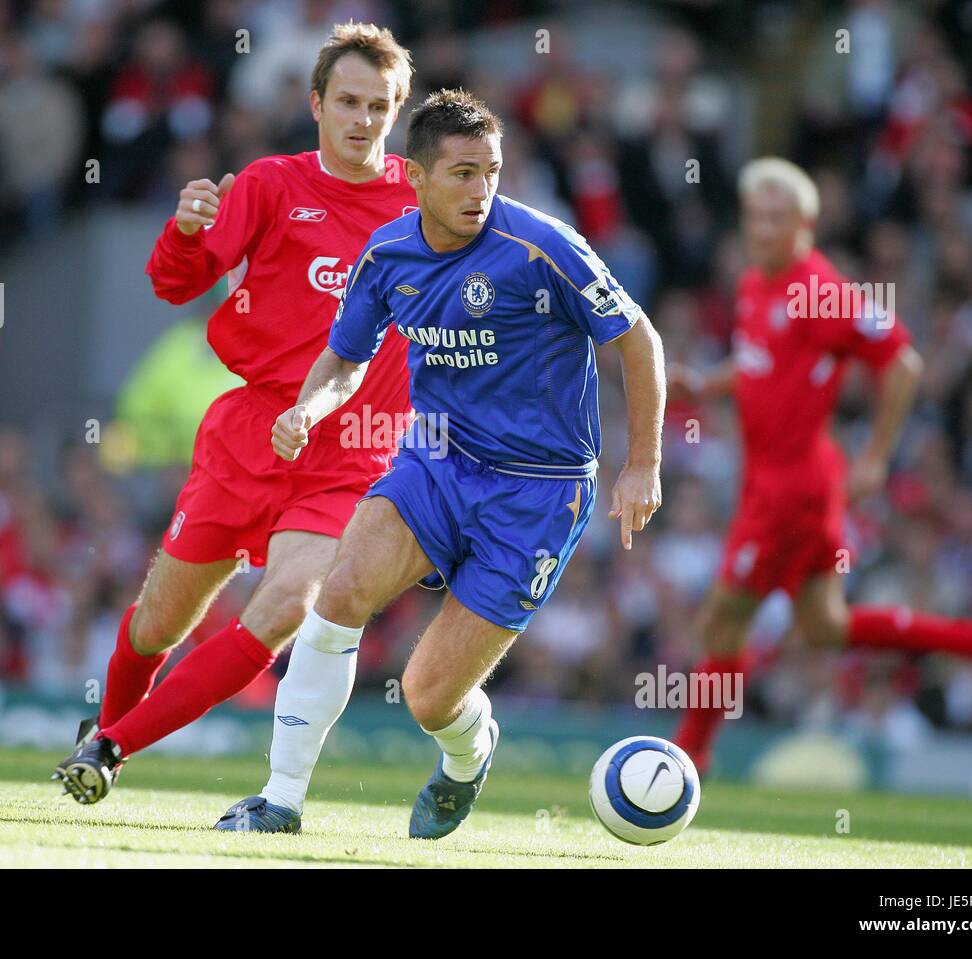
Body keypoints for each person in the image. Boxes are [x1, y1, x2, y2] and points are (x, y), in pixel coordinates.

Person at [219, 88, 665, 838]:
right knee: (342, 589)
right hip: (436, 461)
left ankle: (468, 753)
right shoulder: (389, 253)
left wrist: (643, 463)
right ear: (417, 177)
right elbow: (343, 357)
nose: (480, 189)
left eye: (490, 170)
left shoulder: (541, 246)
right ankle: (280, 799)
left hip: (539, 490)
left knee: (427, 696)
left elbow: (637, 338)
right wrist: (307, 407)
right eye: (461, 173)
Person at [53, 23, 417, 804]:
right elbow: (176, 284)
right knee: (157, 623)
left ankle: (113, 745)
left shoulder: (426, 205)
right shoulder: (268, 185)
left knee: (288, 602)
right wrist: (185, 230)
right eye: (347, 101)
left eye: (379, 107)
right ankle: (106, 742)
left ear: (397, 112)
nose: (362, 119)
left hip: (353, 451)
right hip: (249, 436)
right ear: (316, 103)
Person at [669, 158, 972, 776]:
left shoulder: (820, 291)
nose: (761, 228)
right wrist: (705, 385)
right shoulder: (754, 283)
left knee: (722, 618)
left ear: (806, 223)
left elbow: (903, 363)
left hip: (793, 491)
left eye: (776, 217)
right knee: (824, 627)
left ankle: (686, 761)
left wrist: (876, 456)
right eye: (754, 215)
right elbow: (761, 363)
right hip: (771, 484)